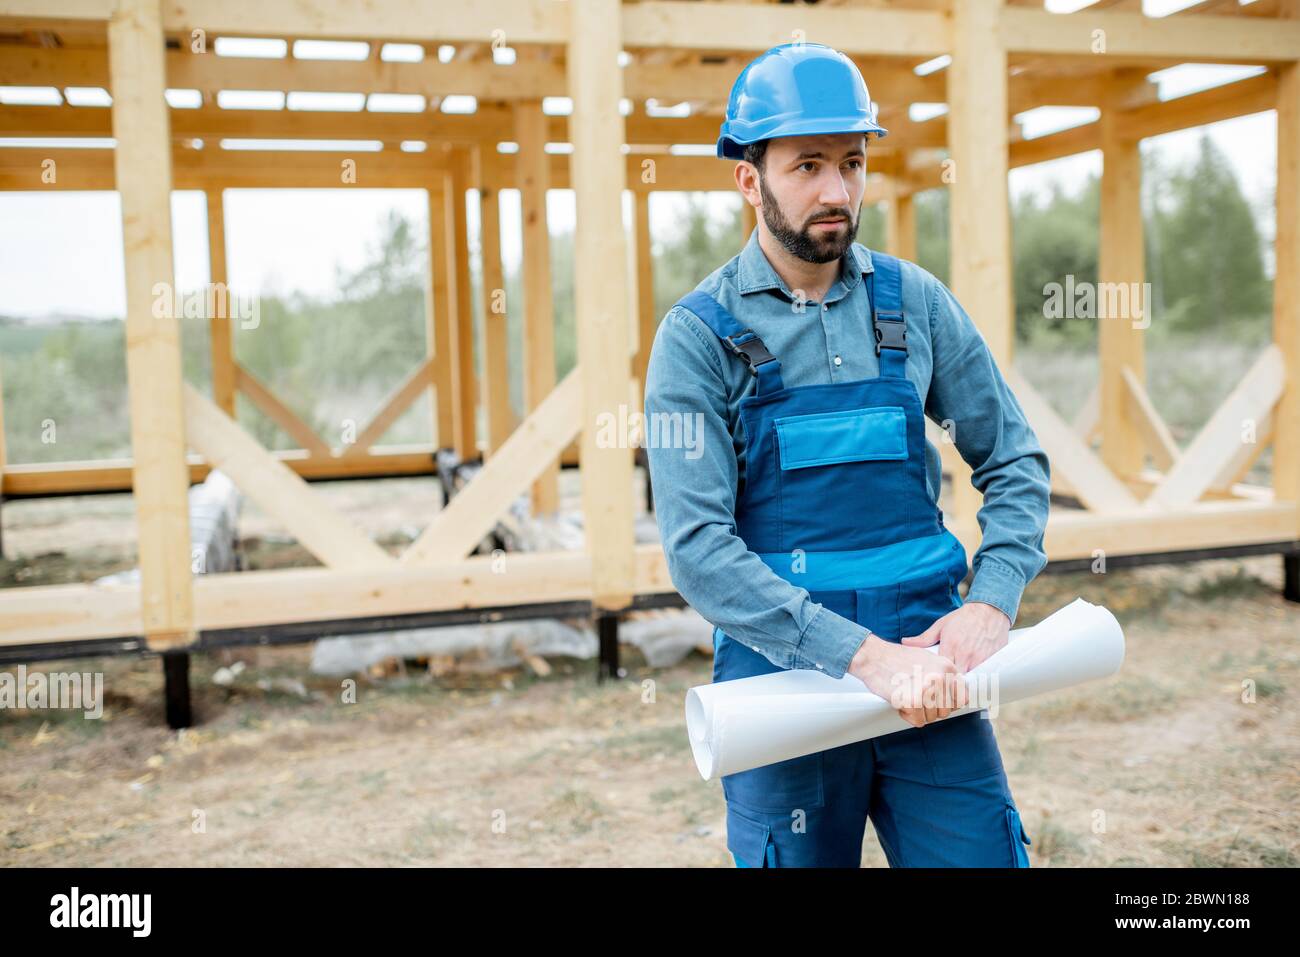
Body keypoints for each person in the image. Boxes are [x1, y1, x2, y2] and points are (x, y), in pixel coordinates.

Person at [643, 42, 1051, 868]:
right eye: (808, 165)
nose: (837, 191)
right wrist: (863, 660)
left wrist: (993, 599)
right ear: (749, 180)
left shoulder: (917, 302)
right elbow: (697, 550)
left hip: (929, 674)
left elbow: (1013, 458)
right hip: (783, 686)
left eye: (853, 163)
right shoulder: (696, 338)